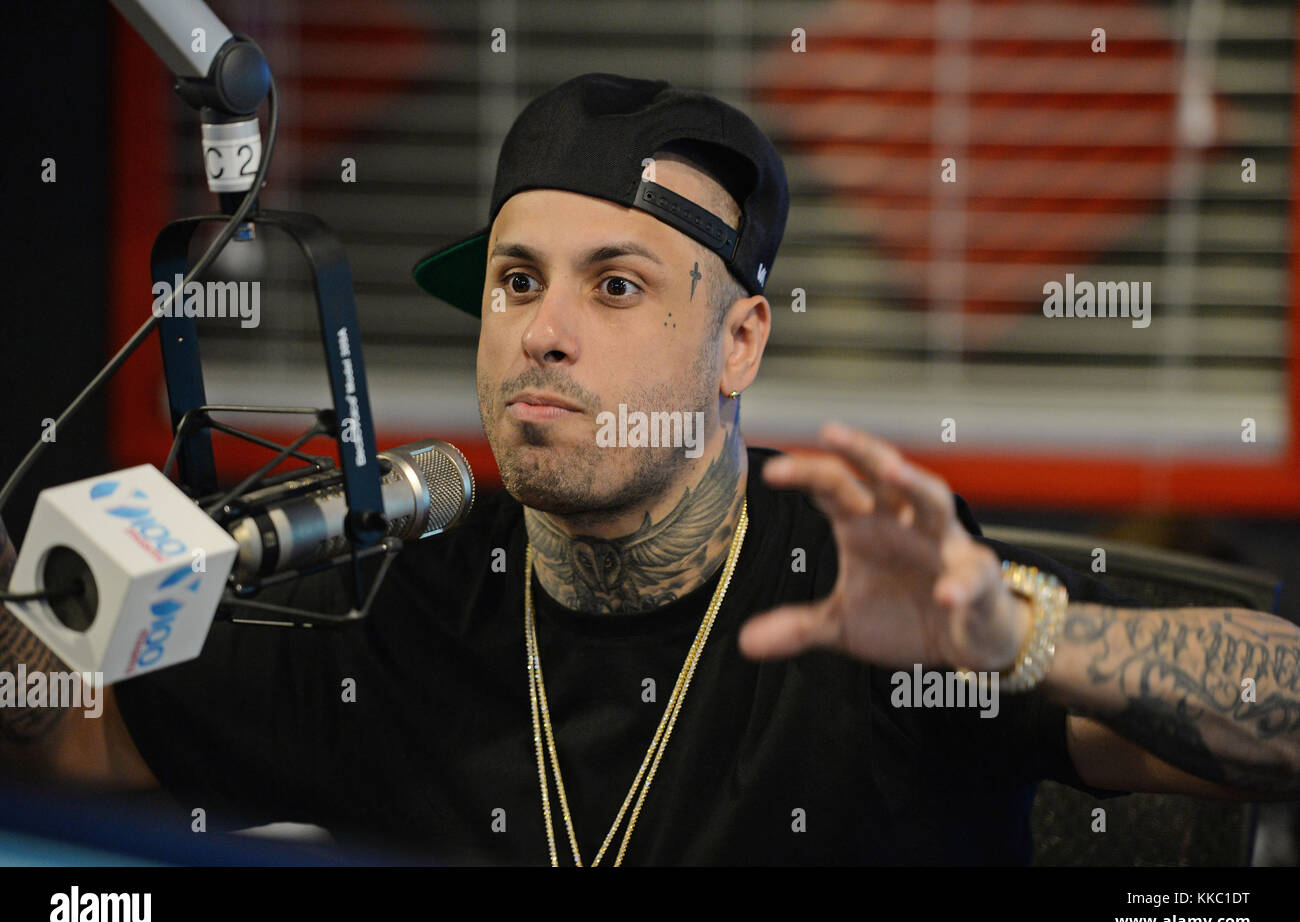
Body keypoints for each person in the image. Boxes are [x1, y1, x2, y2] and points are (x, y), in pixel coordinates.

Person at [2, 73, 1298, 866]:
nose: (542, 331)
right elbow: (77, 739)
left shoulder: (870, 578)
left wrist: (1019, 633)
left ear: (739, 342)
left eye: (615, 286)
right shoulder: (394, 591)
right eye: (517, 283)